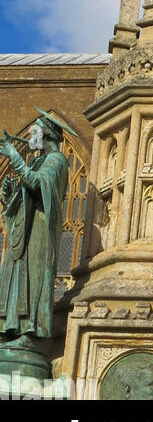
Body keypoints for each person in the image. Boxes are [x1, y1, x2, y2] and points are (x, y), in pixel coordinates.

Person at [0, 110, 71, 347]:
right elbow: (27, 191)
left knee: (33, 276)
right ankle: (11, 328)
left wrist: (14, 157)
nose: (30, 136)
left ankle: (29, 332)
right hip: (25, 232)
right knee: (17, 273)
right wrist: (10, 196)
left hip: (40, 231)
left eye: (34, 132)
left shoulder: (57, 160)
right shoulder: (40, 160)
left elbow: (38, 183)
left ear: (46, 134)